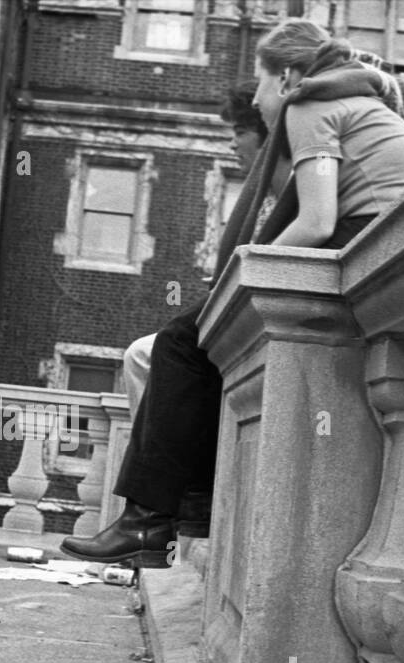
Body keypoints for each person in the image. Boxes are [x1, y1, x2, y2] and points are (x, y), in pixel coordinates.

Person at [63, 19, 404, 568]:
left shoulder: (310, 106)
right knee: (201, 344)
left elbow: (317, 219)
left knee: (182, 341)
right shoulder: (356, 101)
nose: (256, 102)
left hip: (370, 248)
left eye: (258, 86)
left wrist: (242, 280)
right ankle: (180, 516)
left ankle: (149, 521)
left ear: (285, 77)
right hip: (393, 254)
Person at [124, 79, 271, 419]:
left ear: (265, 135)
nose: (232, 144)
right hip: (234, 315)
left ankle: (154, 454)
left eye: (240, 133)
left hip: (245, 323)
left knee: (145, 354)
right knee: (144, 353)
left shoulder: (281, 183)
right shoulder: (258, 188)